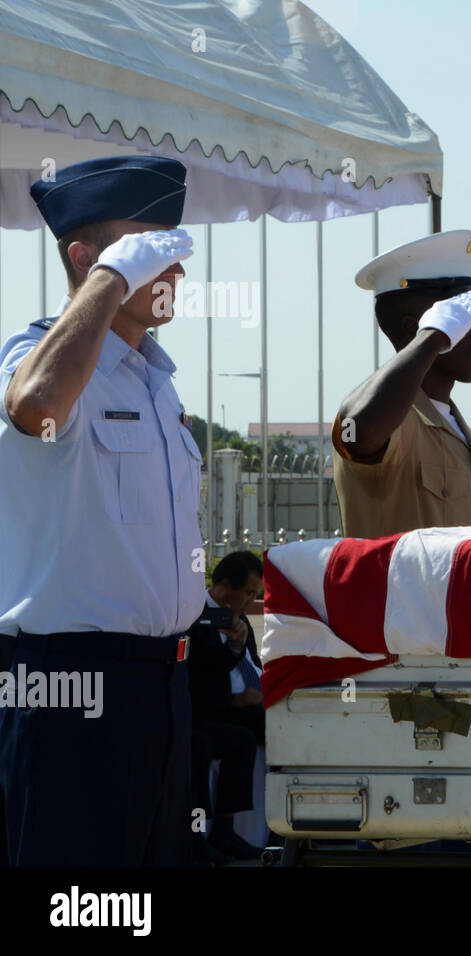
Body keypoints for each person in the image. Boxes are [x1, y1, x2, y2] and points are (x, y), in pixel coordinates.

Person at [0, 155, 202, 866]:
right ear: (84, 259)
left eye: (173, 253)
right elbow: (37, 405)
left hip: (164, 687)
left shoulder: (158, 382)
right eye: (149, 251)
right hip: (72, 690)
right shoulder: (32, 358)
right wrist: (112, 279)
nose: (172, 271)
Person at [332, 230, 471, 537]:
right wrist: (435, 336)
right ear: (416, 330)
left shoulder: (464, 435)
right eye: (463, 319)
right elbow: (356, 428)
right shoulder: (392, 424)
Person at [188, 551, 265, 863]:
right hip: (206, 711)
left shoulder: (240, 619)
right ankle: (199, 836)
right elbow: (199, 673)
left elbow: (253, 665)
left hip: (243, 704)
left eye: (255, 595)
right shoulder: (193, 616)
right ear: (222, 586)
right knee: (207, 744)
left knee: (281, 727)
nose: (249, 601)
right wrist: (232, 647)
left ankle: (275, 821)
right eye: (247, 593)